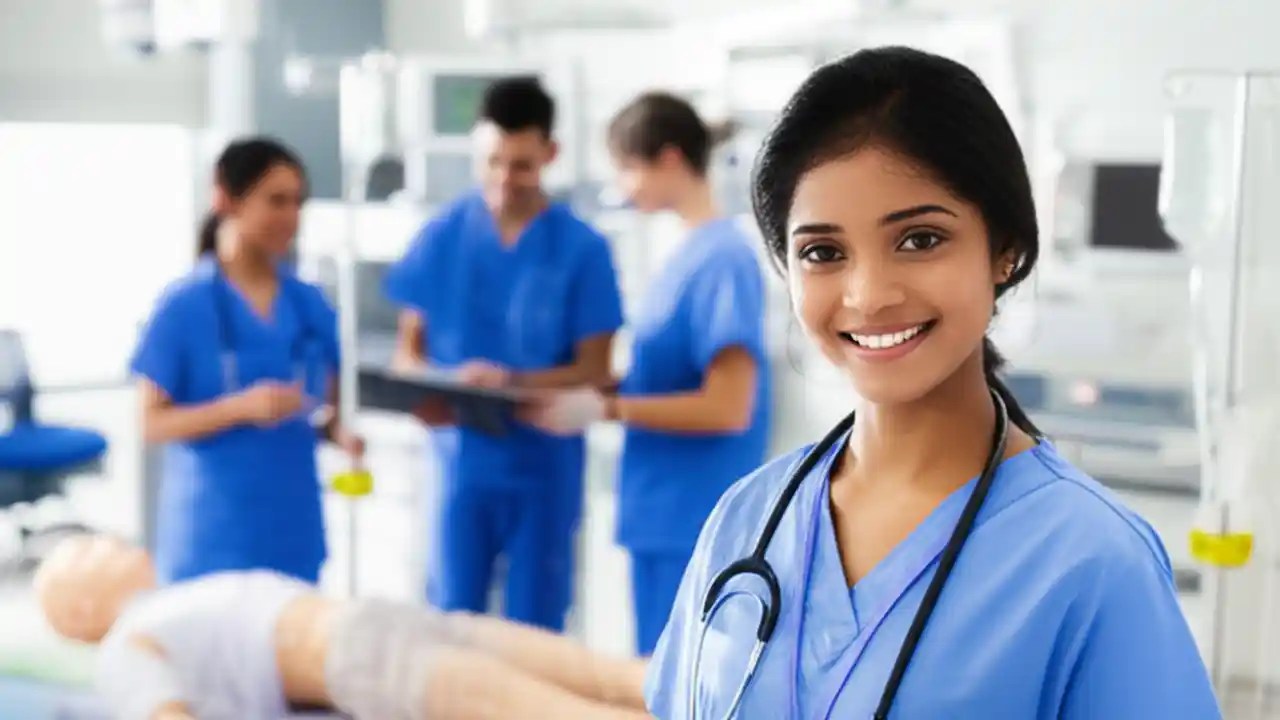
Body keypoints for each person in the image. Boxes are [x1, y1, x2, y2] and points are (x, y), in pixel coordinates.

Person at [634, 47, 1222, 718]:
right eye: (823, 253)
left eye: (919, 239)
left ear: (1004, 249)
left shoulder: (1091, 561)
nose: (869, 295)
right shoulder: (746, 521)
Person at [527, 92, 770, 656]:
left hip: (695, 518)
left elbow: (728, 405)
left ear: (667, 160)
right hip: (661, 513)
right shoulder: (683, 252)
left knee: (688, 687)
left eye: (628, 167)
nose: (624, 185)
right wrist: (582, 389)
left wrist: (607, 410)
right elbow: (665, 376)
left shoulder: (723, 259)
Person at [384, 77, 624, 631]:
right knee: (450, 629)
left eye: (520, 165)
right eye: (491, 162)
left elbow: (596, 370)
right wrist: (436, 388)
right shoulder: (441, 235)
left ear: (550, 155)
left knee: (534, 633)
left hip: (543, 469)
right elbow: (407, 357)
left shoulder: (582, 250)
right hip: (458, 466)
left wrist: (512, 379)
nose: (503, 180)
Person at [34, 534, 650, 720]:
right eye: (87, 554)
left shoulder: (167, 602)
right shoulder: (122, 650)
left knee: (614, 678)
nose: (107, 542)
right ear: (80, 613)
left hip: (381, 626)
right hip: (359, 659)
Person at [131, 138, 363, 585]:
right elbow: (150, 423)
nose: (291, 217)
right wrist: (240, 408)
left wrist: (343, 434)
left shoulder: (308, 303)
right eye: (276, 201)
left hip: (291, 533)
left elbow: (331, 408)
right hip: (210, 538)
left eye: (298, 202)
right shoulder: (184, 306)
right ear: (225, 199)